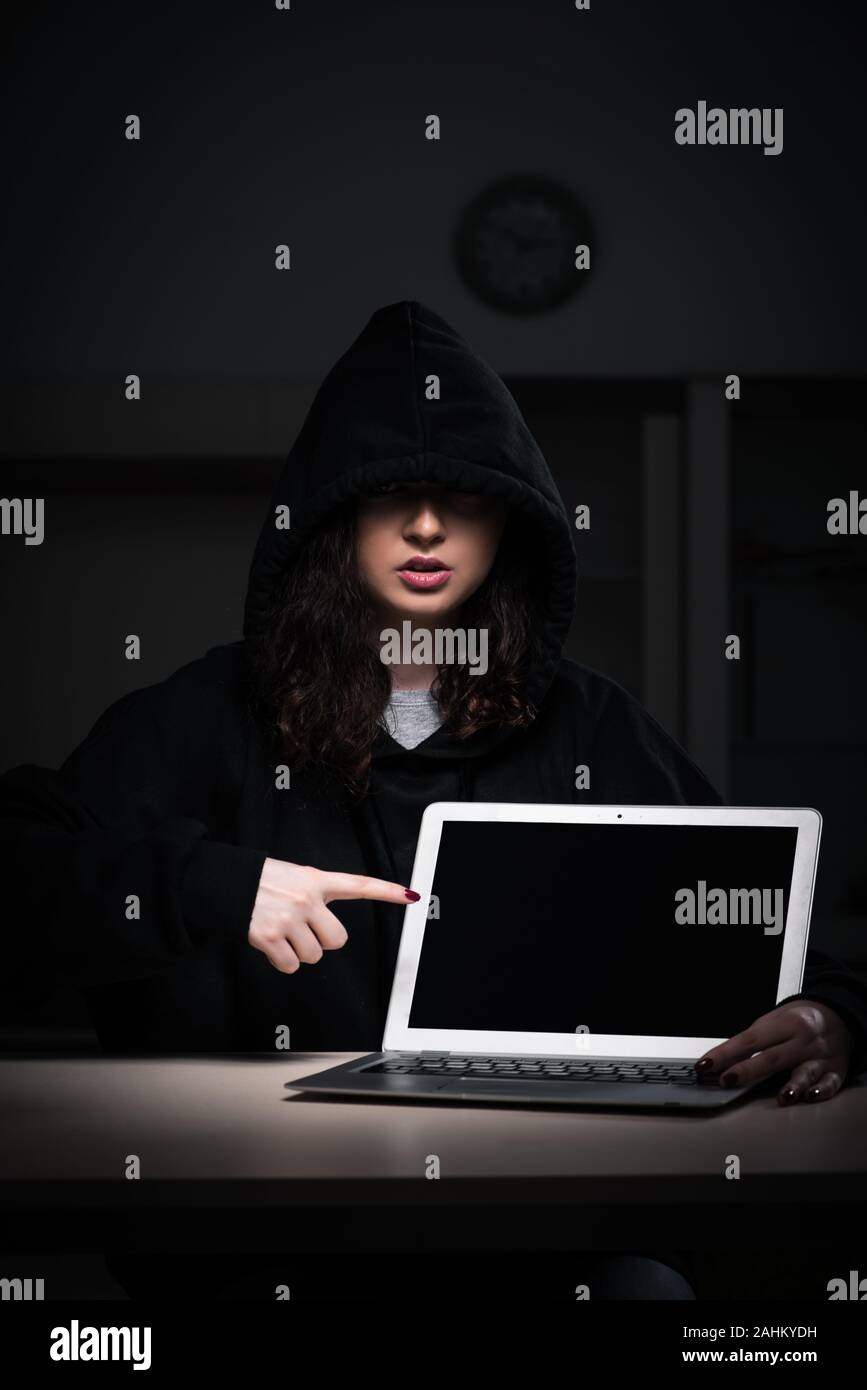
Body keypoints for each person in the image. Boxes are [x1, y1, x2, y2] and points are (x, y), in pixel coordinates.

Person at [2, 301, 866, 1300]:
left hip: (543, 1230)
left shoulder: (592, 725)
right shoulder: (201, 714)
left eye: (462, 497)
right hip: (268, 1239)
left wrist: (835, 1013)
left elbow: (778, 941)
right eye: (393, 497)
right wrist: (209, 883)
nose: (426, 525)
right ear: (336, 519)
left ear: (511, 523)